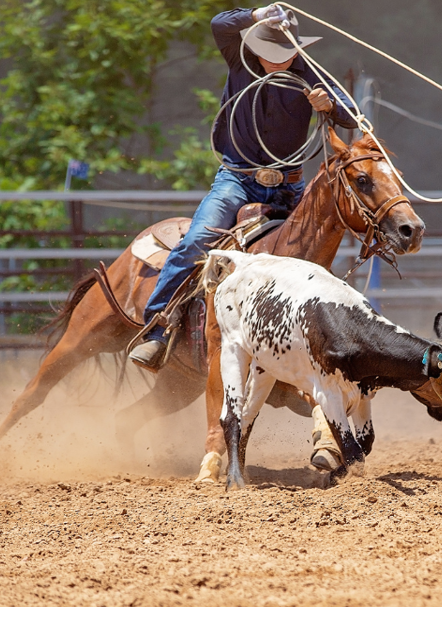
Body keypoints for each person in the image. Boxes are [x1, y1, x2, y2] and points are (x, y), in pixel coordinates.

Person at [130, 4, 357, 369]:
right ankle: (157, 330)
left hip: (289, 186)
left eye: (285, 53)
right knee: (196, 240)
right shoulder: (241, 62)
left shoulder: (312, 75)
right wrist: (256, 14)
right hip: (237, 180)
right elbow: (219, 24)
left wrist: (329, 105)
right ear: (257, 49)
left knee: (316, 257)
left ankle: (319, 344)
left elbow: (352, 114)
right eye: (270, 53)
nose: (277, 61)